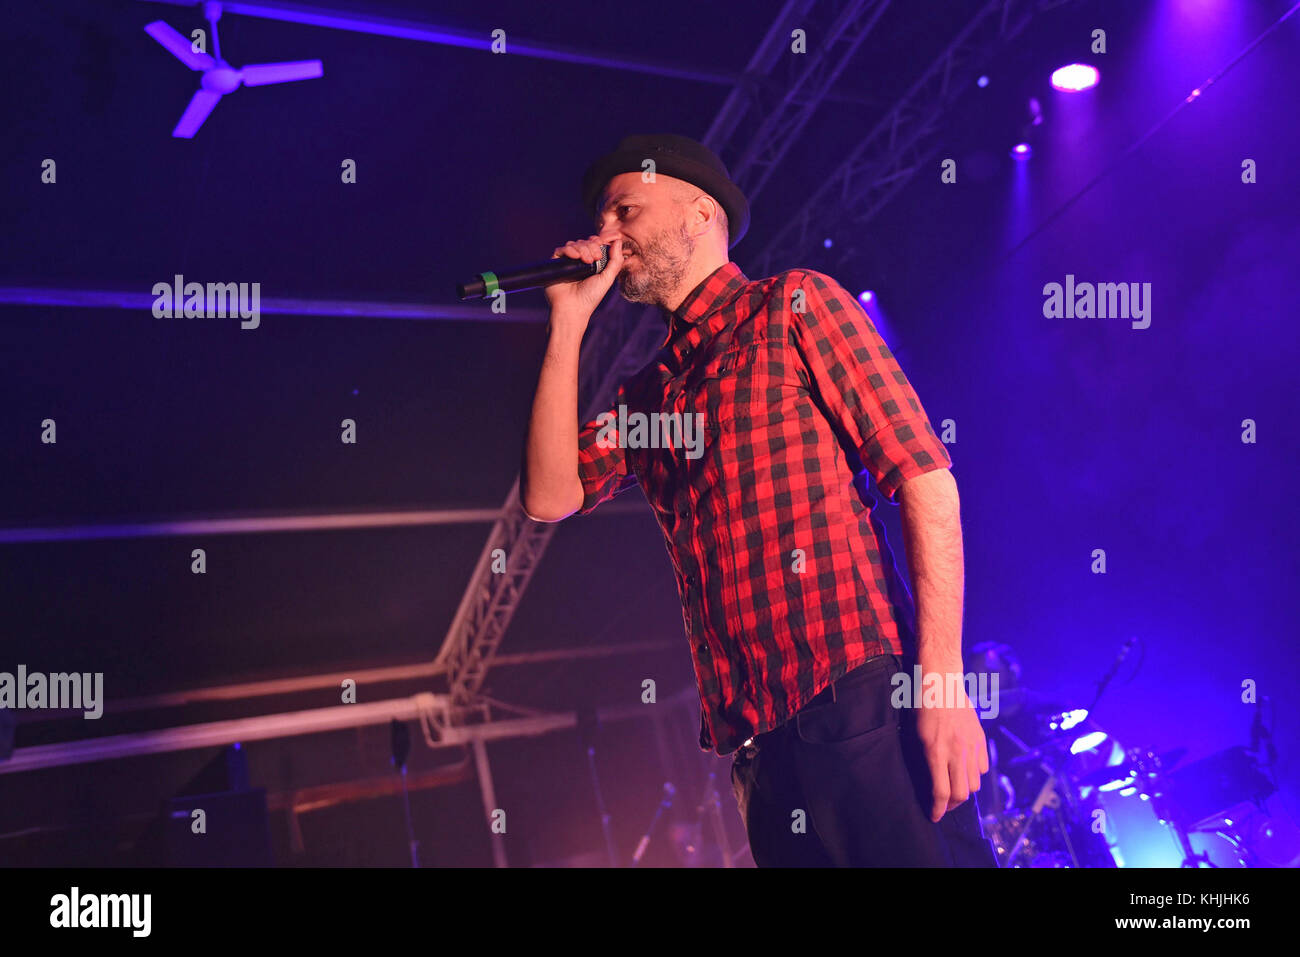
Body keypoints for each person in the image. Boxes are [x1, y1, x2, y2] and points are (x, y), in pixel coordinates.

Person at [522, 133, 996, 866]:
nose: (607, 235)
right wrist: (567, 320)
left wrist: (942, 686)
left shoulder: (791, 306)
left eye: (625, 211)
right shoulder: (647, 395)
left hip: (862, 703)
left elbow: (924, 476)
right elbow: (550, 494)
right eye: (603, 219)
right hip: (762, 762)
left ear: (698, 212)